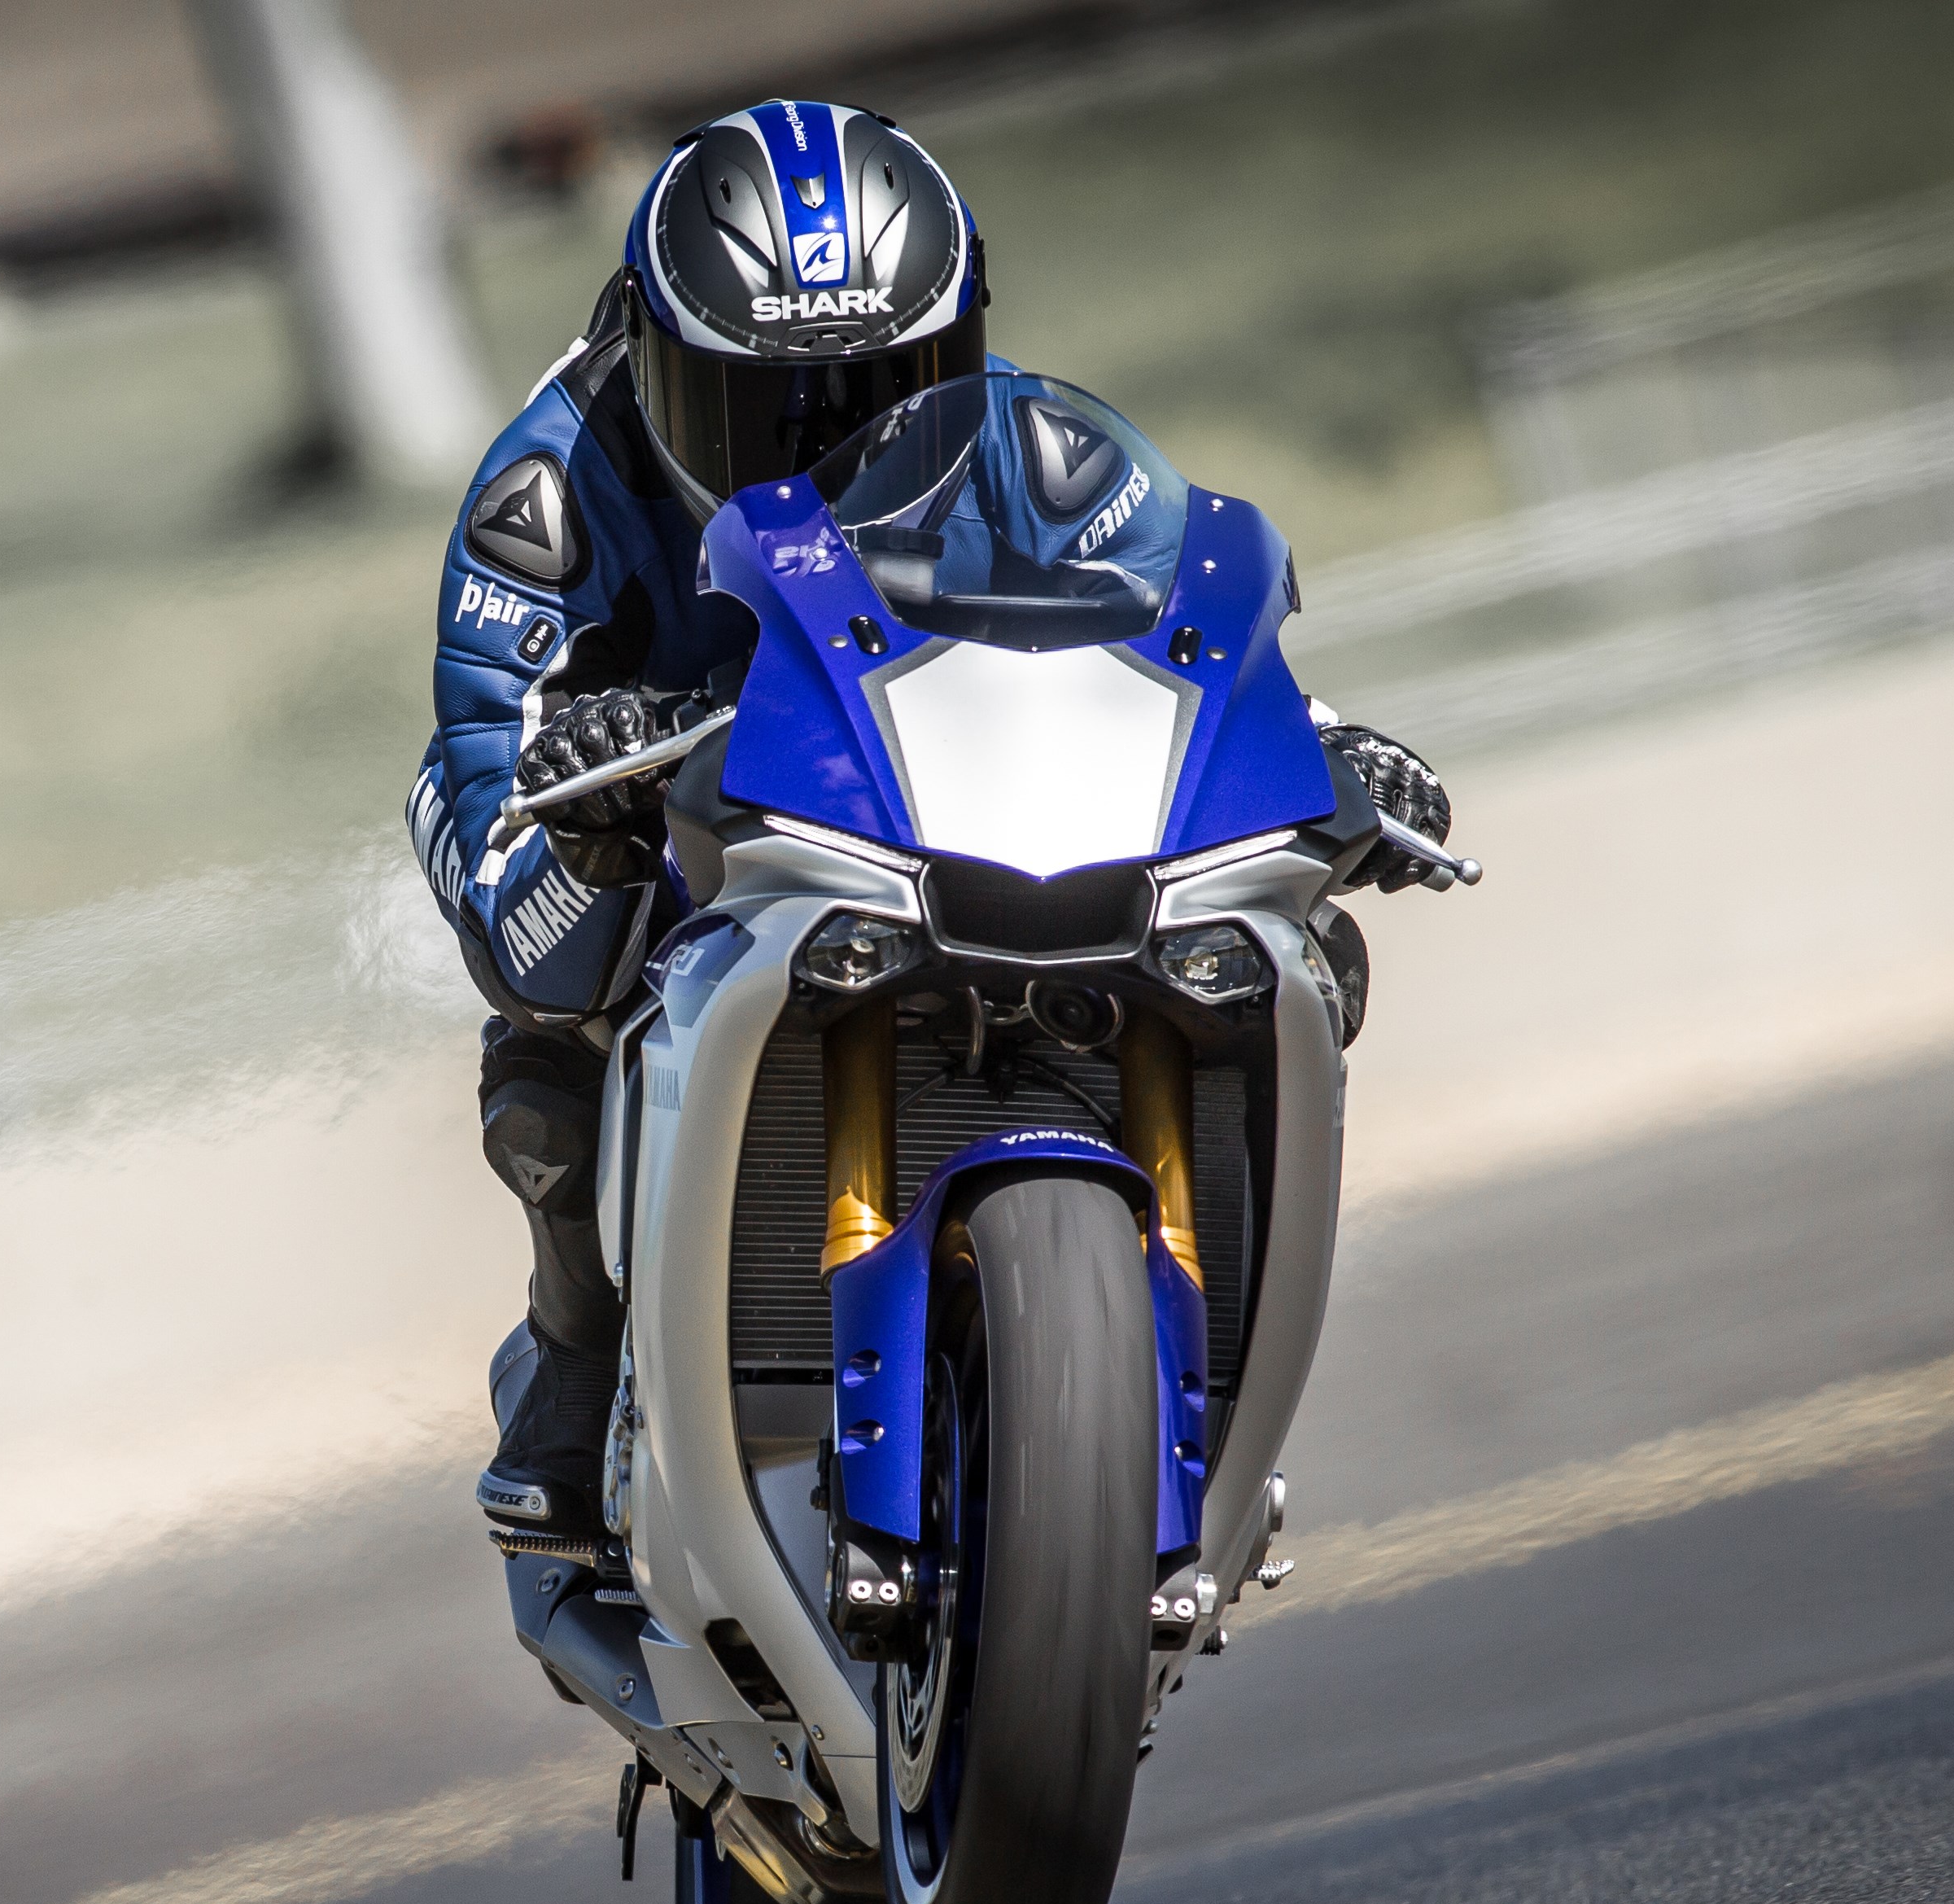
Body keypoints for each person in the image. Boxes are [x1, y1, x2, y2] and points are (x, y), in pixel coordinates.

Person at [404, 99, 1449, 1551]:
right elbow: (487, 791)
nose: (820, 453)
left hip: (938, 787)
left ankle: (1195, 1346)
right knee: (553, 1023)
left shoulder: (1031, 443)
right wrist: (582, 814)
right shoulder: (549, 498)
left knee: (1293, 946)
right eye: (760, 411)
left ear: (957, 352)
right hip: (675, 811)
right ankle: (579, 1357)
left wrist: (1325, 744)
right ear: (649, 358)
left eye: (882, 395)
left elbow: (1194, 646)